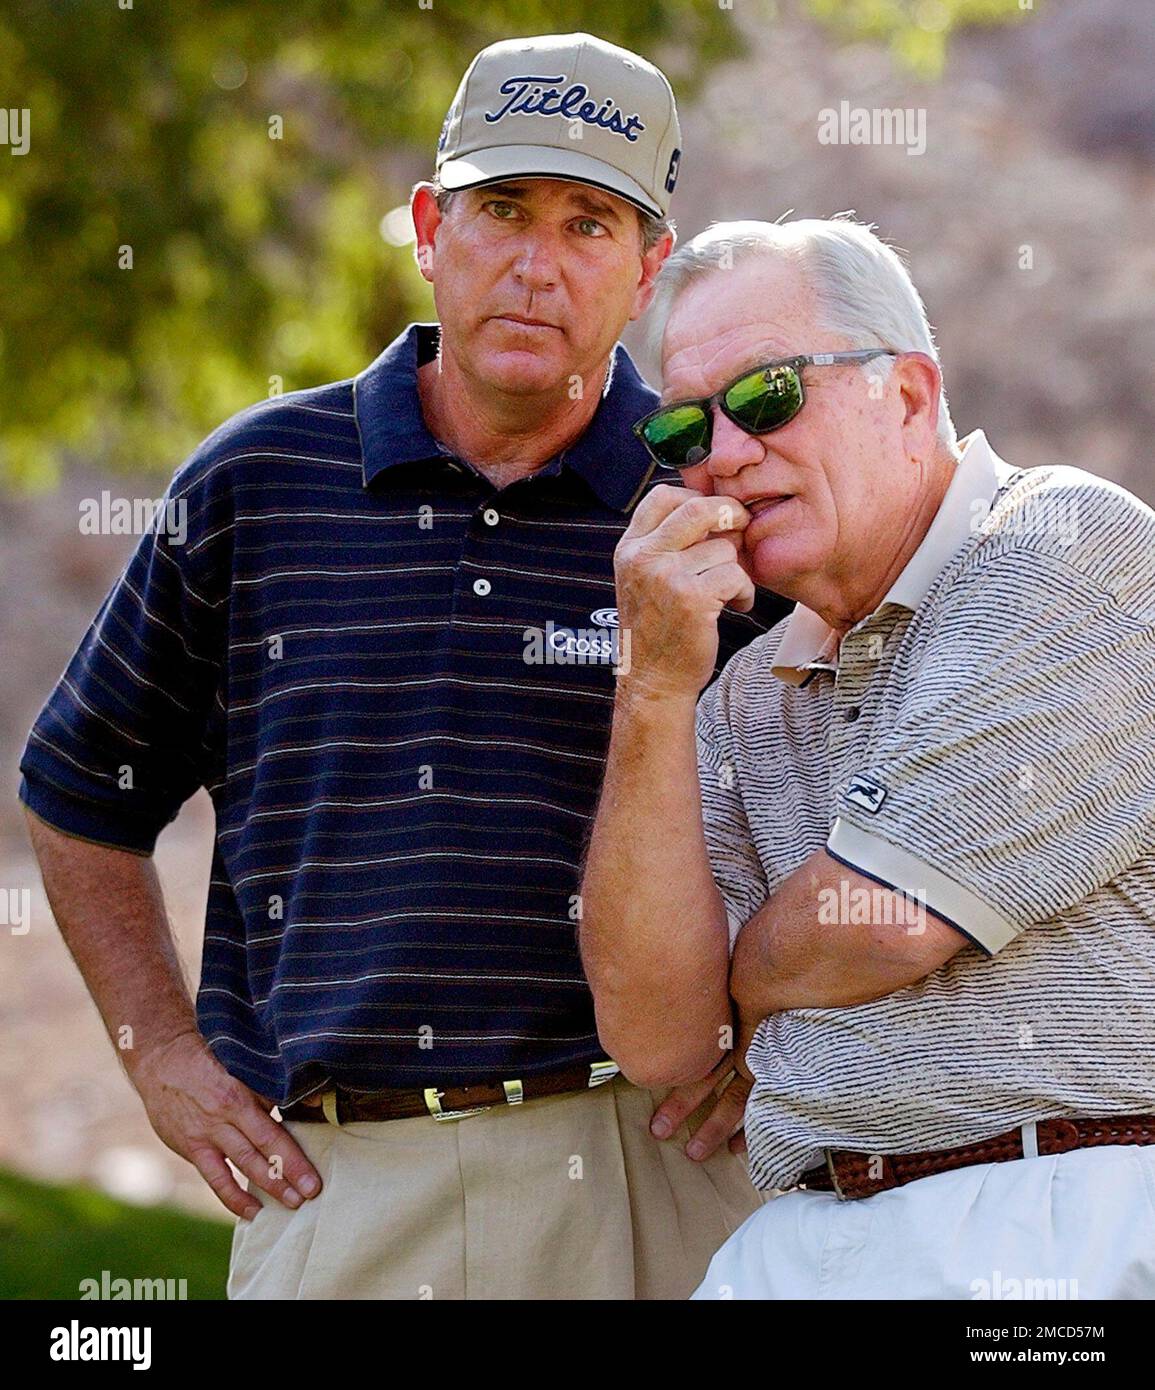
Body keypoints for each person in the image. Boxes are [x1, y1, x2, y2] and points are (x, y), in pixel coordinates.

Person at [17, 34, 789, 1300]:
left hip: (656, 1172)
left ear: (647, 268)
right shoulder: (255, 479)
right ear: (430, 228)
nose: (536, 266)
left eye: (590, 225)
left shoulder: (709, 506)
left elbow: (853, 787)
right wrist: (154, 1046)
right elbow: (80, 789)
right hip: (343, 1184)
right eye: (500, 211)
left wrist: (786, 1026)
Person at [580, 215, 1155, 1299]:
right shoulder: (739, 688)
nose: (726, 454)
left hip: (1058, 1221)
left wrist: (732, 982)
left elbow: (888, 916)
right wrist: (653, 688)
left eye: (766, 396)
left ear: (908, 395)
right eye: (683, 432)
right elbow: (661, 1037)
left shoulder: (1062, 546)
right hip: (804, 1238)